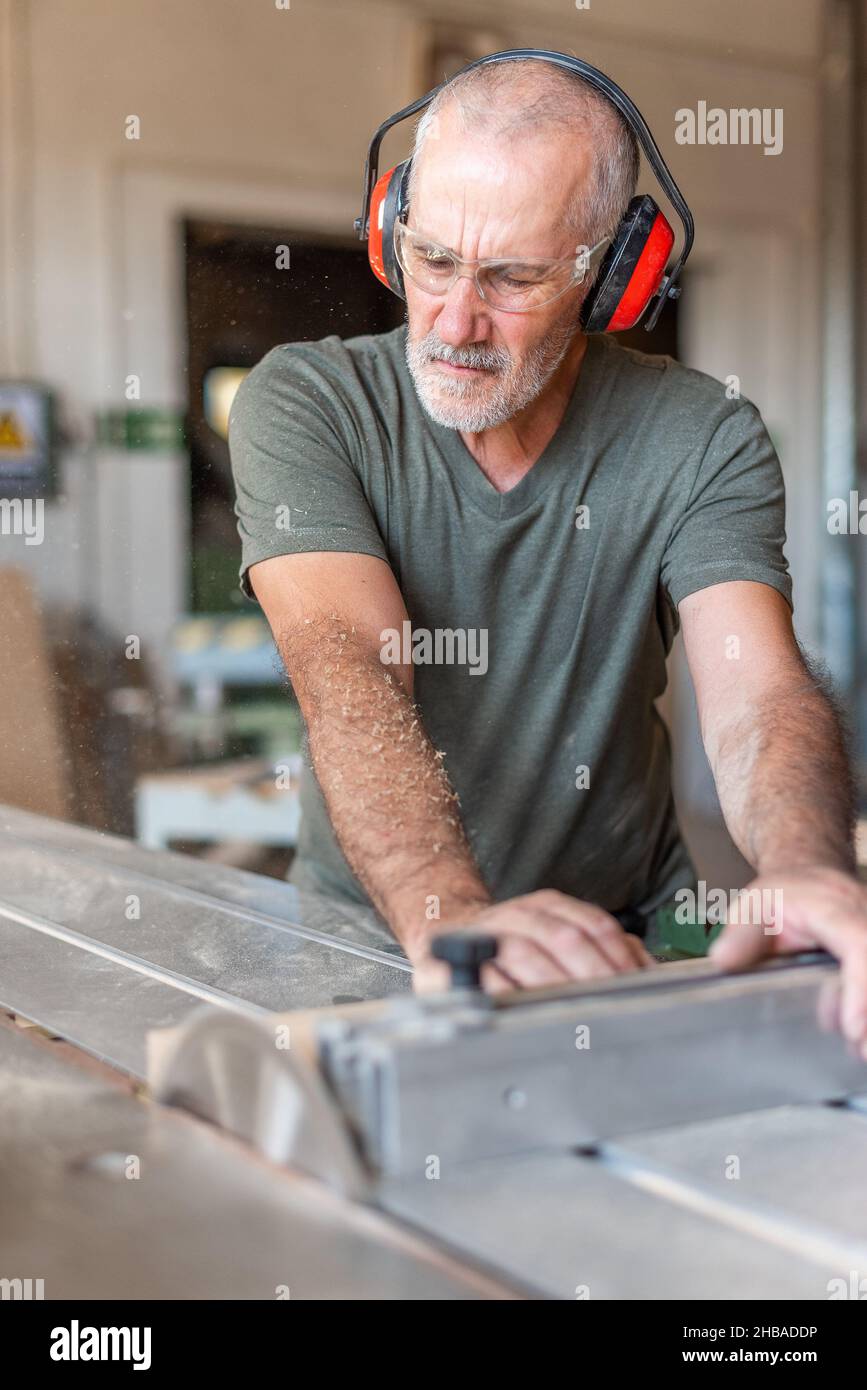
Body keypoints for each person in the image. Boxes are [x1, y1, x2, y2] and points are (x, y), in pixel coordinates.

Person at [229, 55, 867, 1053]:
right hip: (387, 930)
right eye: (431, 259)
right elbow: (350, 664)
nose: (454, 321)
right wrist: (447, 916)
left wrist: (804, 863)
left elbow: (757, 695)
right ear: (391, 227)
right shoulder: (309, 404)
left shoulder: (701, 436)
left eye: (514, 277)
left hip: (626, 931)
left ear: (614, 273)